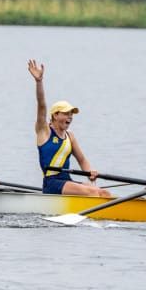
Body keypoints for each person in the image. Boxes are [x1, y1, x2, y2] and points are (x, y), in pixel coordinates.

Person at [27, 59, 111, 196]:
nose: (70, 117)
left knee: (103, 192)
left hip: (67, 180)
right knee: (94, 193)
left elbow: (82, 160)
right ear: (55, 115)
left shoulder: (70, 136)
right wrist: (39, 82)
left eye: (71, 114)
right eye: (66, 113)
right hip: (52, 184)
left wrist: (90, 172)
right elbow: (41, 106)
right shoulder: (44, 131)